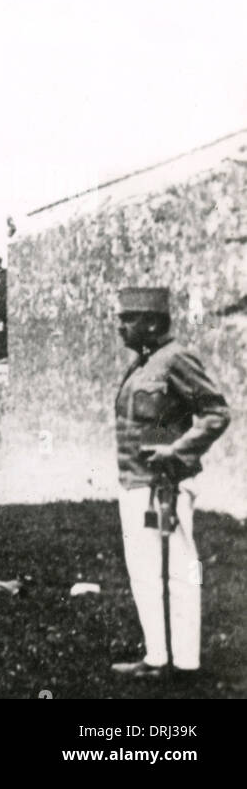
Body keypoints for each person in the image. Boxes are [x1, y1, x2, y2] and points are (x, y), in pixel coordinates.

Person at [110, 287, 230, 679]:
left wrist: (177, 452)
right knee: (145, 573)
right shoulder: (141, 365)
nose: (121, 326)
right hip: (136, 483)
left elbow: (215, 413)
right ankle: (158, 657)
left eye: (128, 319)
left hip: (167, 485)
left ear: (151, 322)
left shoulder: (176, 359)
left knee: (180, 571)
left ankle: (184, 662)